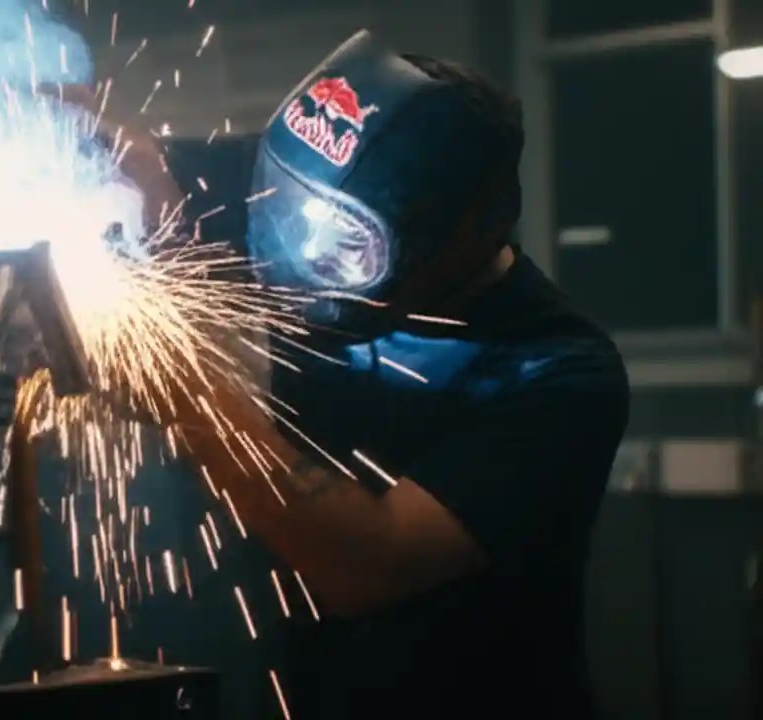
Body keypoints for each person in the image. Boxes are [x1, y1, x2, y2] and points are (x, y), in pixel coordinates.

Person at [58, 29, 631, 717]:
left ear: (479, 228)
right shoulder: (312, 190)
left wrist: (194, 397)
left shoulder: (559, 374)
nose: (303, 257)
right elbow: (146, 170)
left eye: (351, 247)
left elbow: (367, 563)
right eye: (285, 205)